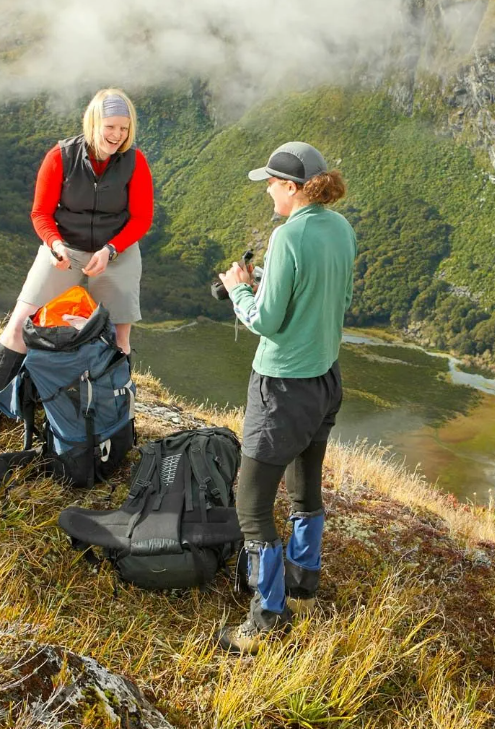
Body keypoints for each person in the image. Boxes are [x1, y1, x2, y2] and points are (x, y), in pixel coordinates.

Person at [215, 142, 356, 654]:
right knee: (304, 486)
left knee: (251, 503)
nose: (268, 190)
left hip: (281, 388)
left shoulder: (288, 236)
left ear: (293, 188)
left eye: (272, 182)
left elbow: (266, 322)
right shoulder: (340, 229)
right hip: (324, 380)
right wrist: (266, 283)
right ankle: (303, 582)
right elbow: (336, 299)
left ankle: (267, 617)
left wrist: (239, 289)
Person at [0, 88, 153, 425]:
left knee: (118, 337)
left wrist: (110, 250)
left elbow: (141, 218)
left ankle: (112, 417)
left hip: (117, 251)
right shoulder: (61, 156)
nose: (117, 135)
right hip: (64, 249)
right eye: (110, 127)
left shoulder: (134, 162)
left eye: (124, 129)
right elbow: (41, 213)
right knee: (19, 326)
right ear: (94, 122)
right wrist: (54, 244)